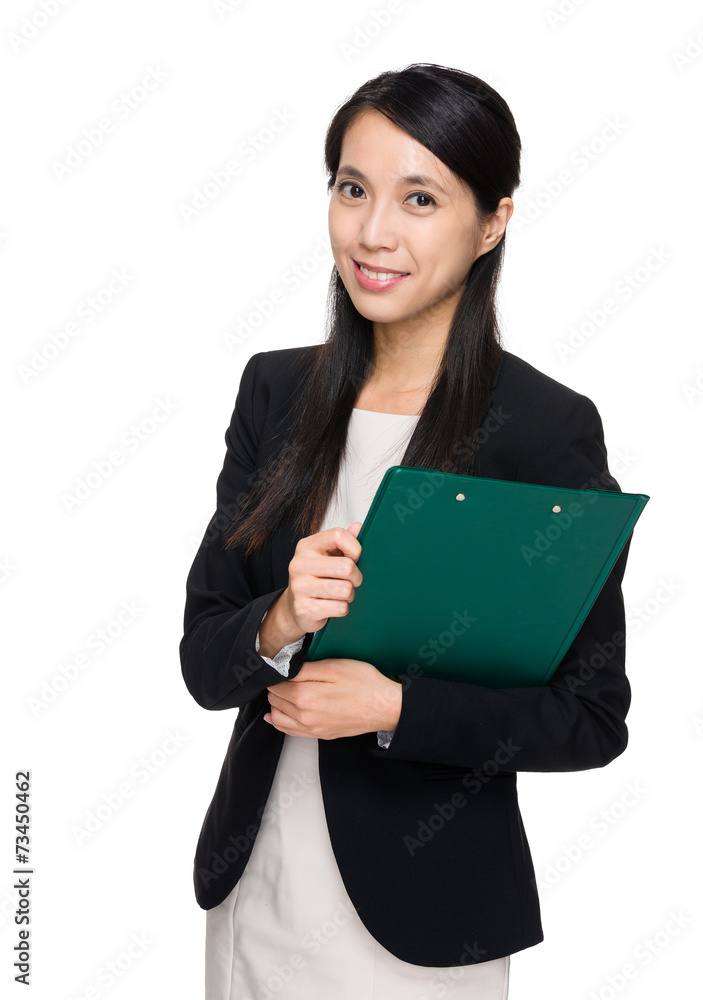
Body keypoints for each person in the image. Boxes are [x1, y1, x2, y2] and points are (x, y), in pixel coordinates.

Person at [180, 62, 632, 999]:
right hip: (253, 894)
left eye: (419, 197)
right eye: (352, 189)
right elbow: (200, 660)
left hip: (424, 925)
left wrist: (394, 709)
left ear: (493, 220)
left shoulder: (544, 427)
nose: (373, 233)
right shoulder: (276, 391)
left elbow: (590, 718)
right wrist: (277, 622)